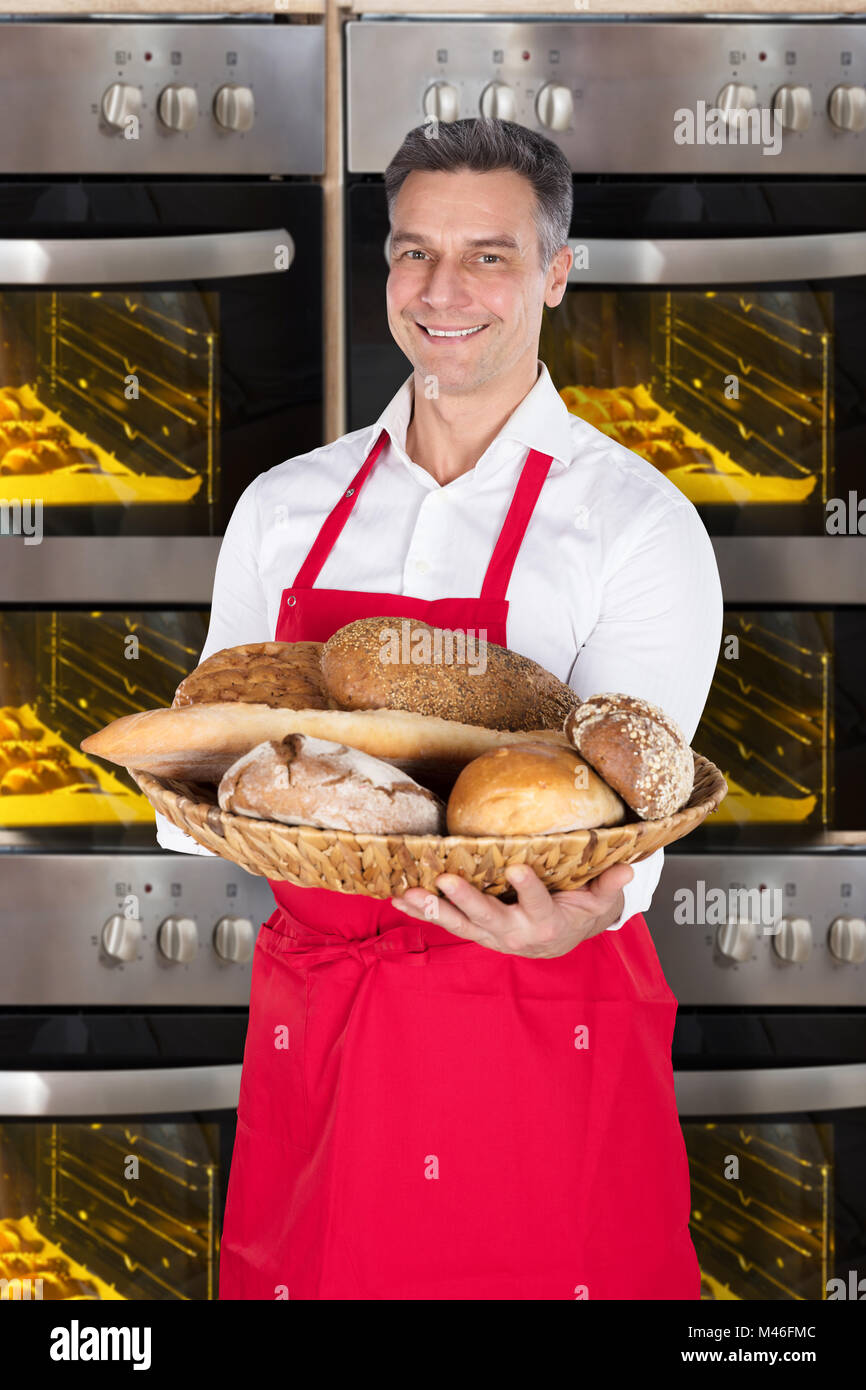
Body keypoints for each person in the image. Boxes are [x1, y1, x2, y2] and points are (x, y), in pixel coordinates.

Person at [157, 117, 723, 1300]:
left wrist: (581, 916)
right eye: (413, 253)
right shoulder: (284, 507)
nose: (441, 289)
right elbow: (202, 772)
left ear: (557, 273)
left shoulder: (633, 521)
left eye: (488, 255)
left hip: (534, 1009)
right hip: (325, 1017)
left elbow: (638, 816)